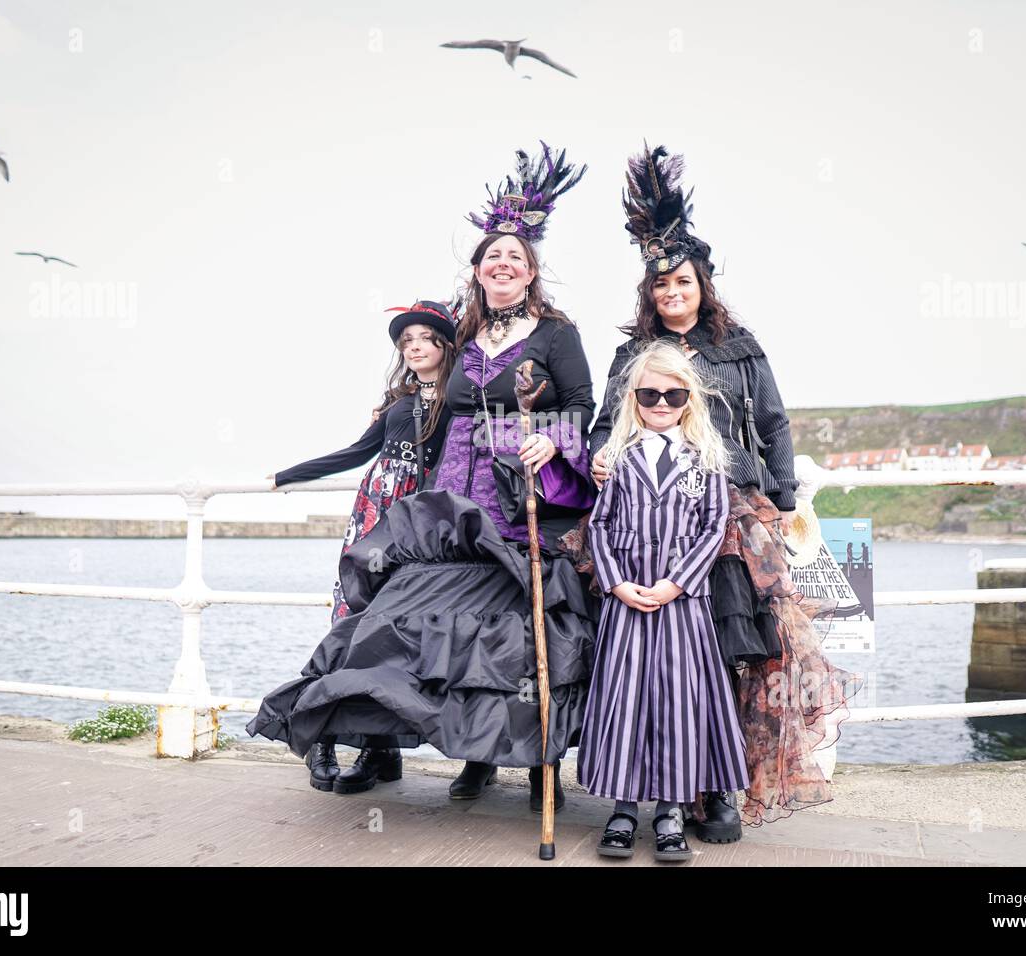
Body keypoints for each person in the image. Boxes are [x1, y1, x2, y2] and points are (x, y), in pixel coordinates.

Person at [247, 143, 597, 813]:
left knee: (521, 631)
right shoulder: (464, 335)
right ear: (476, 270)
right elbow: (430, 397)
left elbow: (584, 409)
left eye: (515, 258)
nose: (503, 264)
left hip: (519, 498)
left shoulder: (558, 334)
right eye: (492, 256)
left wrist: (545, 442)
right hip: (450, 502)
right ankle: (467, 752)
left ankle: (532, 763)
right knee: (436, 622)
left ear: (531, 273)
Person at [588, 144, 862, 837]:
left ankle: (715, 788)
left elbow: (773, 424)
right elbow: (602, 427)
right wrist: (598, 458)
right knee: (660, 650)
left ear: (702, 284)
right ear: (649, 295)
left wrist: (785, 503)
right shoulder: (632, 358)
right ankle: (656, 782)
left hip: (738, 513)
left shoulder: (741, 348)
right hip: (654, 515)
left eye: (683, 283)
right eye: (661, 287)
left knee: (732, 647)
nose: (672, 294)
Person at [261, 299, 457, 795]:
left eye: (424, 339)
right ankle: (343, 739)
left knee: (396, 630)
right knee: (353, 618)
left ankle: (380, 745)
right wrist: (289, 475)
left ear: (445, 344)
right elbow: (356, 452)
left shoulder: (461, 400)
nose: (413, 347)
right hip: (374, 515)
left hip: (419, 522)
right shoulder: (396, 403)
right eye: (406, 341)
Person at [579, 342, 749, 862]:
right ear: (633, 397)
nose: (660, 402)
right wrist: (614, 582)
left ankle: (671, 810)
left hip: (682, 604)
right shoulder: (620, 458)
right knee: (625, 700)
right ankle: (623, 808)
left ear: (688, 399)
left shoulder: (706, 460)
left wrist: (678, 583)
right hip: (627, 600)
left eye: (672, 394)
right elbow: (601, 524)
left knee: (678, 704)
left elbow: (713, 526)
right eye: (649, 393)